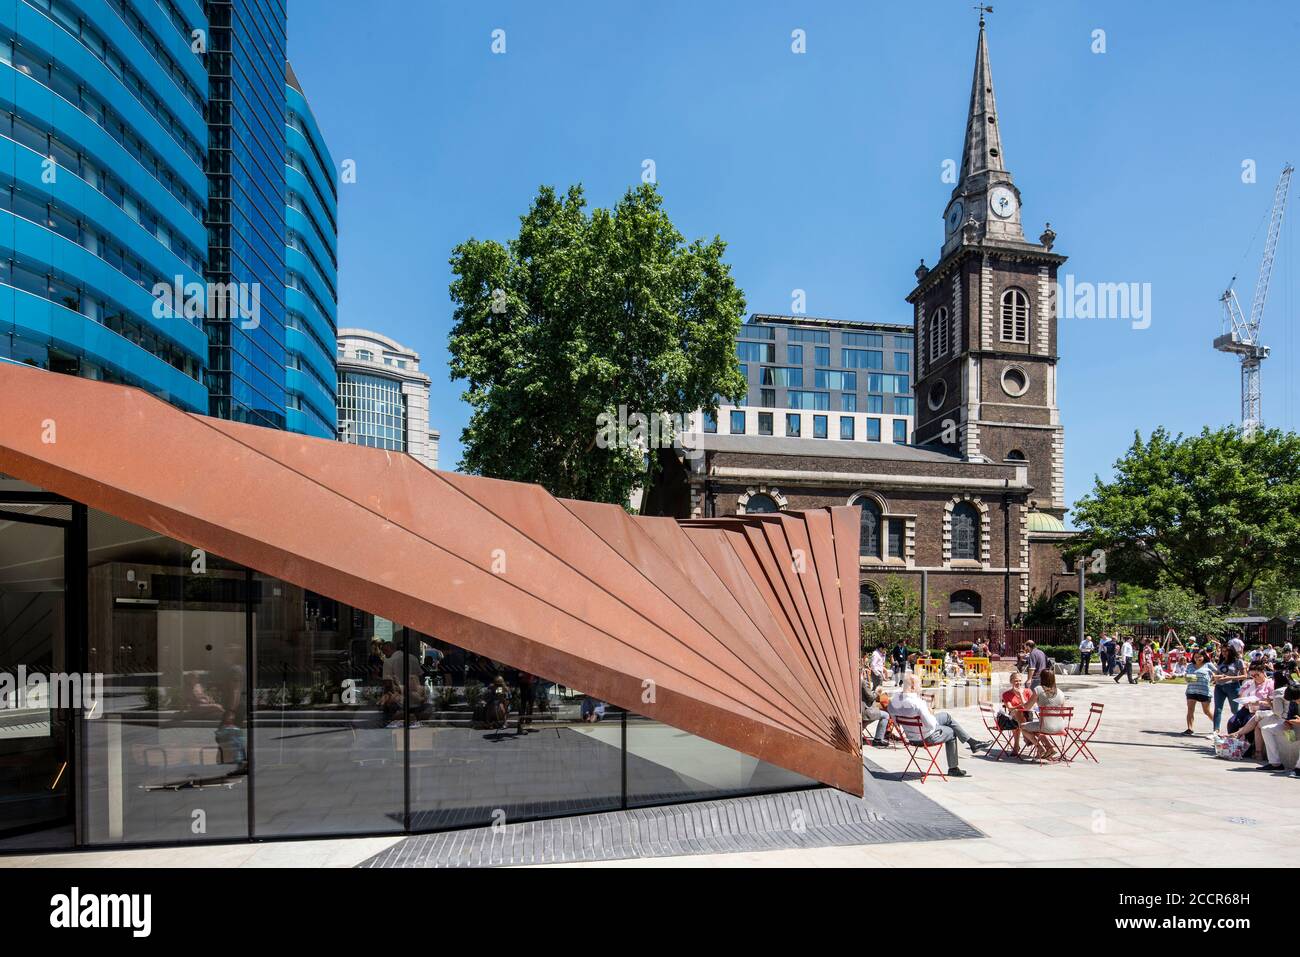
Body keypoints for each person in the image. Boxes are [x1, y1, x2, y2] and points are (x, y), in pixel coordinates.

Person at [887, 673, 989, 777]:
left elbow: (896, 723)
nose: (920, 687)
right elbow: (931, 726)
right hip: (925, 737)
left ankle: (972, 742)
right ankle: (953, 768)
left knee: (946, 716)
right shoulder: (918, 703)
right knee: (951, 731)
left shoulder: (893, 701)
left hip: (911, 736)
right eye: (919, 684)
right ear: (913, 686)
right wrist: (930, 713)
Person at [1019, 670, 1067, 758]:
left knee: (1022, 726)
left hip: (1045, 727)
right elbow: (1063, 713)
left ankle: (1040, 747)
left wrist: (1021, 696)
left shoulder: (1039, 689)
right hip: (1061, 727)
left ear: (1041, 678)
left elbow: (1026, 708)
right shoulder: (1060, 692)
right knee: (1037, 727)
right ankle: (1050, 748)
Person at [1258, 685, 1300, 774]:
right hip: (1294, 725)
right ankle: (1275, 763)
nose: (1296, 702)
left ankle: (1298, 768)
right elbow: (1289, 715)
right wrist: (1288, 722)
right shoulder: (1293, 701)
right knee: (1266, 729)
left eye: (1297, 700)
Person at [1000, 670, 1036, 756]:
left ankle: (1016, 747)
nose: (1018, 682)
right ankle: (1026, 737)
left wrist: (1021, 694)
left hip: (1028, 716)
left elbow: (1031, 707)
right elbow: (1010, 708)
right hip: (1013, 717)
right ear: (1011, 681)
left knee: (1017, 721)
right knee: (1017, 712)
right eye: (1016, 680)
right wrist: (1020, 706)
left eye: (1020, 680)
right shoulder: (1006, 694)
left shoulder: (1028, 691)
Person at [1212, 645, 1245, 731]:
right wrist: (1215, 677)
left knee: (1234, 710)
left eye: (1226, 651)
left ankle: (1240, 729)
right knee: (1218, 709)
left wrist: (1229, 678)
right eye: (1223, 651)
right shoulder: (1221, 661)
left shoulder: (1238, 661)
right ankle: (1216, 730)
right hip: (1219, 687)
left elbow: (1245, 676)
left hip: (1233, 687)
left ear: (1231, 652)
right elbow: (1216, 673)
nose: (1224, 653)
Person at [1183, 650, 1216, 735]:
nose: (1197, 658)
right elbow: (1186, 676)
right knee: (1190, 710)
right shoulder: (1190, 665)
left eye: (1199, 656)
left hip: (1204, 691)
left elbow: (1217, 673)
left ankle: (1217, 727)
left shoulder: (1208, 665)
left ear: (1204, 656)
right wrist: (1187, 677)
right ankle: (1189, 729)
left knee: (1207, 711)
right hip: (1191, 690)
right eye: (1195, 657)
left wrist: (1212, 679)